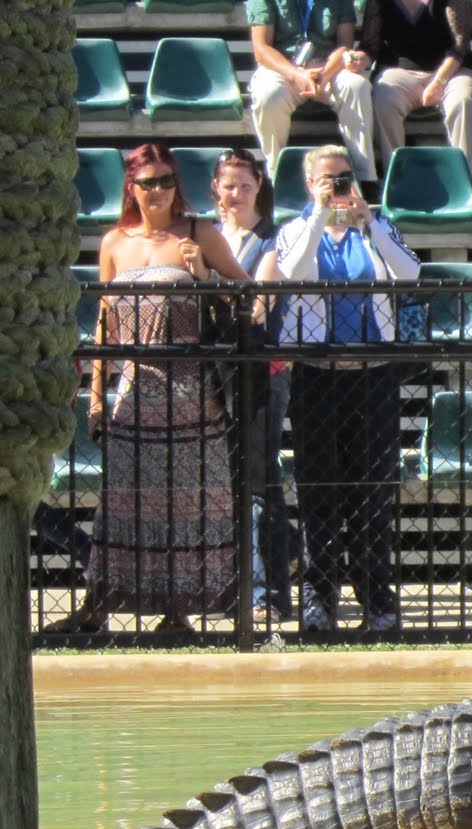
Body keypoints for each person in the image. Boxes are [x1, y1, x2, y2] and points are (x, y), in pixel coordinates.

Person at [48, 144, 250, 634]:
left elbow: (246, 293)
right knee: (122, 499)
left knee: (183, 503)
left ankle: (178, 612)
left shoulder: (199, 233)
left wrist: (201, 277)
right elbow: (104, 323)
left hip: (190, 389)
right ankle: (98, 604)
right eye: (148, 182)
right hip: (135, 388)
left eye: (166, 181)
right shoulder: (115, 242)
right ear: (131, 187)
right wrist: (97, 396)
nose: (157, 190)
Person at [275, 144, 420, 633]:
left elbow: (410, 272)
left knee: (372, 491)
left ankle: (378, 599)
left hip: (373, 374)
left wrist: (369, 222)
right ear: (309, 183)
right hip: (317, 376)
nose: (337, 186)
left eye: (343, 177)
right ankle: (319, 600)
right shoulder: (296, 229)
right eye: (327, 179)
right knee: (319, 491)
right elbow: (292, 272)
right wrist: (320, 212)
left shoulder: (377, 227)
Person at [212, 148, 295, 624]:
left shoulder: (274, 238)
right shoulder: (210, 235)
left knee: (261, 482)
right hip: (216, 371)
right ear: (216, 189)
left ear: (259, 186)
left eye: (245, 185)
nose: (237, 193)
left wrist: (206, 277)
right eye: (229, 185)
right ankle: (246, 583)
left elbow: (257, 303)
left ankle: (266, 593)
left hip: (262, 371)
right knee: (232, 482)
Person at [246, 0, 378, 187]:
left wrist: (324, 74)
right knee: (268, 93)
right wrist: (296, 74)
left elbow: (345, 43)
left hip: (328, 67)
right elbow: (262, 49)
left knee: (357, 85)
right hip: (283, 68)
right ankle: (277, 175)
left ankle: (365, 178)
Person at [358, 0, 472, 190]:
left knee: (462, 102)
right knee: (383, 98)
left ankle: (468, 184)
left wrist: (438, 81)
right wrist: (359, 59)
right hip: (399, 72)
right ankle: (397, 180)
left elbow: (460, 45)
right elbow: (370, 46)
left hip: (453, 71)